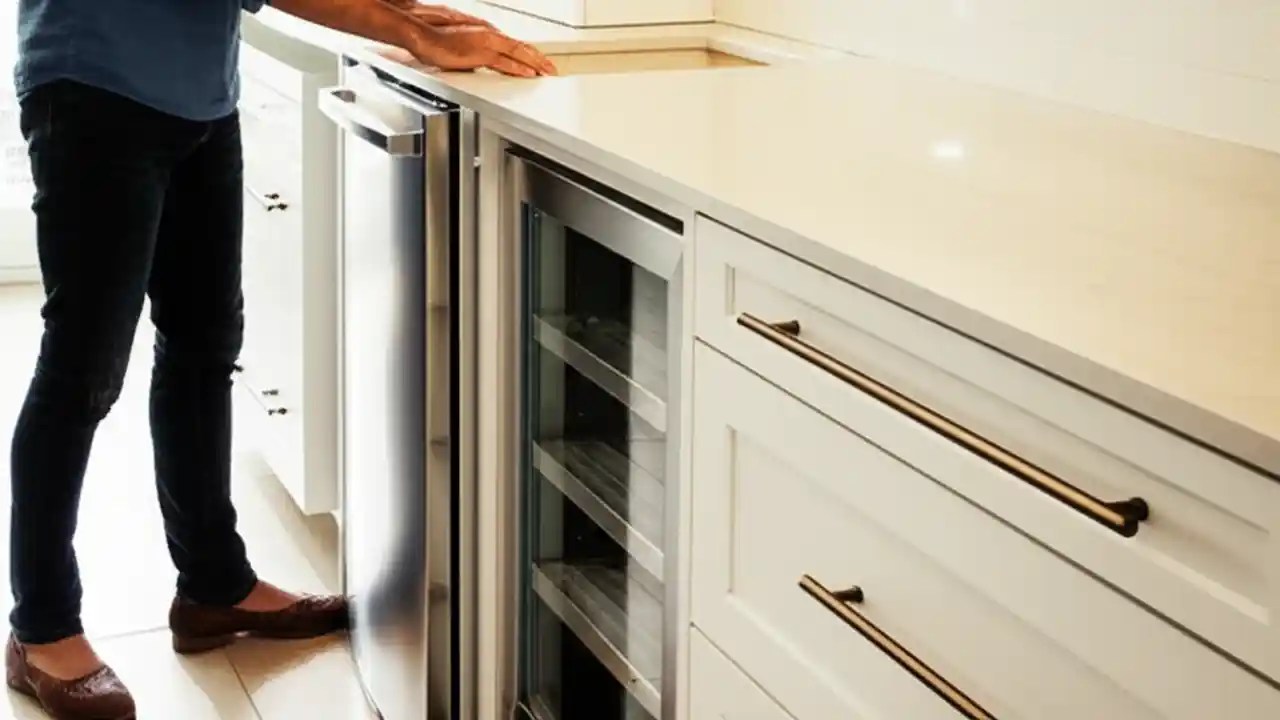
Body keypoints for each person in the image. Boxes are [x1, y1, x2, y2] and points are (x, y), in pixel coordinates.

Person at [6, 1, 554, 717]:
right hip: (95, 87)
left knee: (203, 350)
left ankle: (214, 586)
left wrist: (402, 10)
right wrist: (410, 32)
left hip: (199, 97)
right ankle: (41, 629)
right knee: (83, 369)